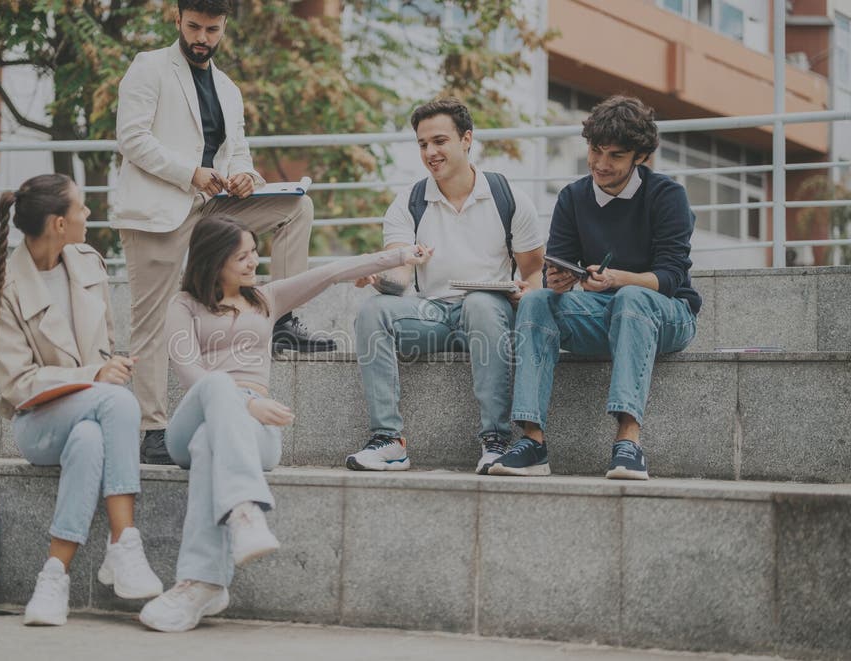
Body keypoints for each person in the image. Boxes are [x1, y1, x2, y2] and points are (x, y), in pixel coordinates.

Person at [137, 214, 430, 632]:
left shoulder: (265, 298)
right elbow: (189, 372)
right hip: (200, 413)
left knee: (209, 446)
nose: (253, 261)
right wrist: (246, 403)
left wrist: (401, 255)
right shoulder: (183, 306)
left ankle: (201, 585)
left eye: (255, 251)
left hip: (249, 435)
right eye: (242, 256)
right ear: (213, 259)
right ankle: (245, 512)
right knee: (216, 390)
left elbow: (332, 272)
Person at [112, 0, 334, 466]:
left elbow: (238, 152)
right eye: (194, 27)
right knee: (151, 319)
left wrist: (244, 176)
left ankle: (281, 322)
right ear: (177, 20)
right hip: (159, 210)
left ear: (224, 26)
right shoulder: (148, 67)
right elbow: (132, 139)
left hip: (215, 206)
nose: (202, 38)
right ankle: (152, 427)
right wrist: (191, 173)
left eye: (212, 30)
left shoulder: (229, 88)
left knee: (297, 207)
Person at [488, 95, 702, 480]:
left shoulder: (667, 196)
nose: (601, 164)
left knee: (633, 297)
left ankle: (628, 443)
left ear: (640, 157)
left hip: (668, 315)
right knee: (537, 302)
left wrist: (619, 279)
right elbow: (557, 268)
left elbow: (670, 277)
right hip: (604, 314)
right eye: (595, 150)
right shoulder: (573, 197)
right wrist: (557, 281)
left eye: (615, 156)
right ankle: (532, 441)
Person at [0, 174, 162, 626]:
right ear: (59, 224)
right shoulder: (5, 291)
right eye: (80, 208)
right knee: (119, 403)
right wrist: (95, 377)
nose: (88, 215)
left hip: (91, 416)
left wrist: (108, 369)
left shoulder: (87, 263)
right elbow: (18, 384)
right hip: (37, 423)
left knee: (88, 440)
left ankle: (53, 576)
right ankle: (124, 542)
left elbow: (107, 344)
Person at [346, 98, 545, 475]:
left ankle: (496, 440)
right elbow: (399, 281)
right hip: (432, 313)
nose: (430, 152)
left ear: (466, 139)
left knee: (481, 304)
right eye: (422, 144)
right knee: (373, 312)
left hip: (489, 314)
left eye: (439, 141)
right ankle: (389, 440)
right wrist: (380, 274)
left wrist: (524, 294)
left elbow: (535, 273)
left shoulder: (509, 198)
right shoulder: (408, 203)